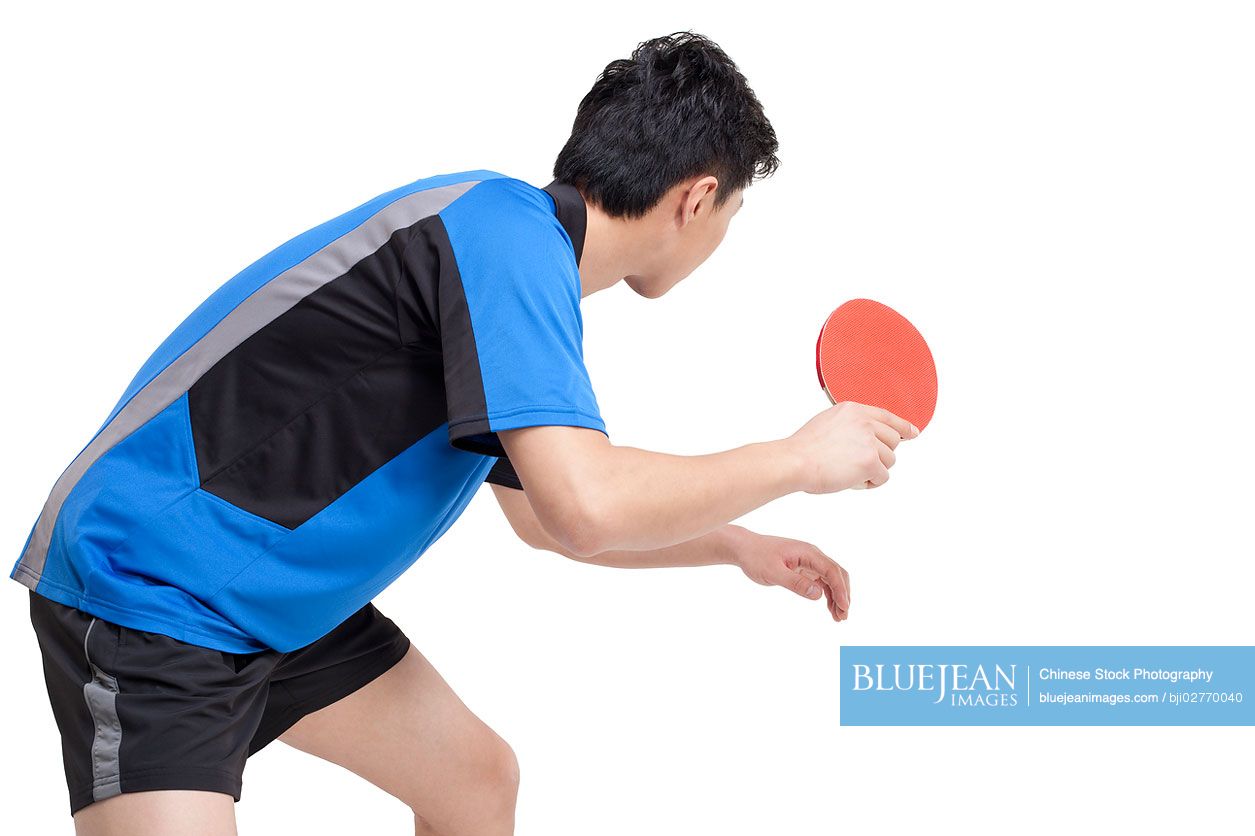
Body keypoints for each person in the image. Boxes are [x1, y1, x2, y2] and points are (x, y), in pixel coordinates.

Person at [14, 30, 917, 836]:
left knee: (477, 784)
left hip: (271, 604)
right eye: (730, 216)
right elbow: (587, 505)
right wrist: (798, 459)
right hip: (153, 589)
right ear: (697, 198)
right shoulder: (502, 235)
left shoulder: (512, 262)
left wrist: (736, 546)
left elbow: (547, 519)